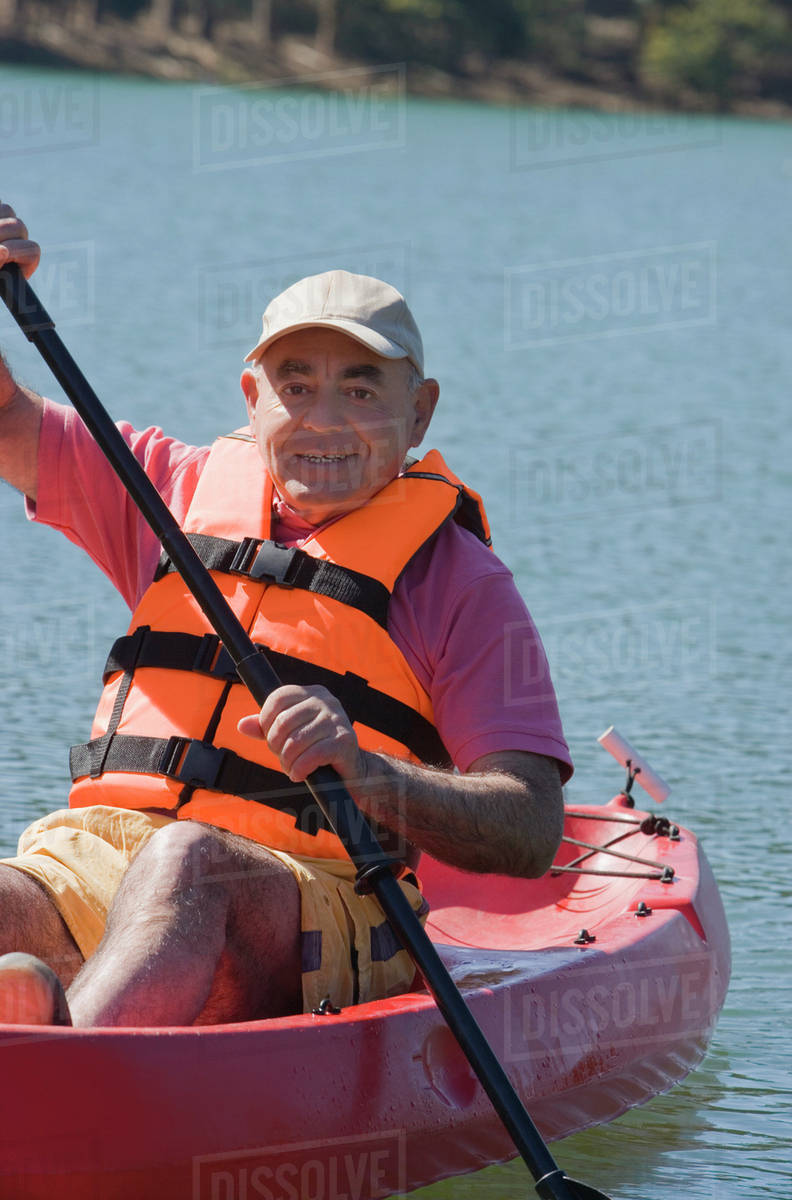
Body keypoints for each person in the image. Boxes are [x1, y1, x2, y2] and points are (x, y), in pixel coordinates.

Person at [0, 203, 572, 1029]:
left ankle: (61, 1083)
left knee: (190, 864)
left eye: (362, 388)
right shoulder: (174, 492)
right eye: (295, 386)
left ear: (420, 413)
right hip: (103, 858)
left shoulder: (463, 585)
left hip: (329, 895)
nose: (324, 420)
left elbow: (528, 830)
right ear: (252, 397)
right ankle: (38, 1018)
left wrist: (365, 769)